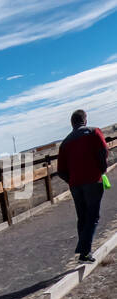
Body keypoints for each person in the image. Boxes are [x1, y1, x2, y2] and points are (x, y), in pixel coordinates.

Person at [57, 110, 108, 262]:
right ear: (85, 120)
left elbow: (60, 170)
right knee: (93, 216)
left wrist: (71, 180)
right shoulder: (94, 132)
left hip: (75, 185)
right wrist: (101, 169)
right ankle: (84, 250)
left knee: (83, 217)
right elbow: (103, 152)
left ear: (72, 123)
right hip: (93, 180)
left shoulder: (65, 143)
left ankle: (84, 253)